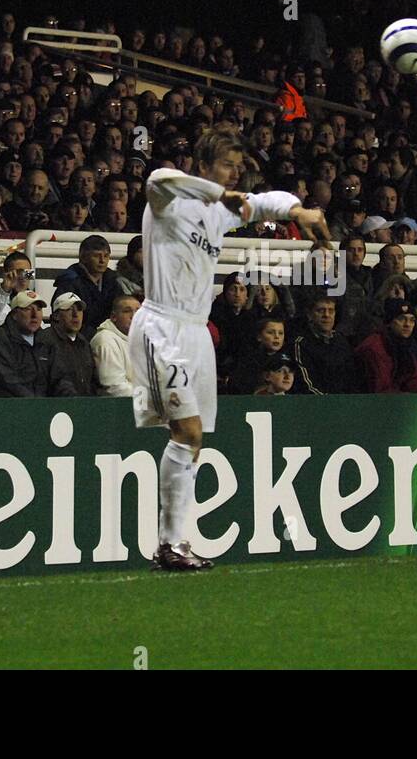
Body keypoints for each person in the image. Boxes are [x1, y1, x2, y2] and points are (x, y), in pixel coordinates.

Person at [127, 129, 327, 571]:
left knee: (192, 441)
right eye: (226, 165)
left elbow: (268, 201)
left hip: (197, 333)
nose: (234, 174)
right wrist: (225, 194)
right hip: (161, 325)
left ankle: (173, 544)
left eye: (238, 167)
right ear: (202, 165)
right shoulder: (169, 201)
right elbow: (158, 178)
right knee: (190, 432)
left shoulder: (220, 213)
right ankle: (169, 544)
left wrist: (300, 210)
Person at [0, 289, 77, 397]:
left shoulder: (46, 340)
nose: (34, 315)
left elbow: (59, 377)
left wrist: (72, 399)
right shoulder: (0, 338)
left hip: (42, 407)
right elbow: (7, 381)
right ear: (15, 314)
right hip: (12, 407)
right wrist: (35, 405)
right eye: (28, 309)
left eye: (39, 309)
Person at [354, 297, 417, 394]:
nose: (407, 324)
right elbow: (382, 390)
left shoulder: (404, 344)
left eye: (412, 320)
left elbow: (413, 378)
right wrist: (409, 397)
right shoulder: (374, 347)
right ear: (389, 322)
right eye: (402, 319)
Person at [291, 294, 354, 394]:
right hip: (317, 405)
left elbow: (352, 377)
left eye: (331, 311)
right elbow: (307, 385)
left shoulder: (341, 341)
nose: (327, 315)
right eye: (321, 310)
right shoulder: (302, 344)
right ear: (309, 314)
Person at [40, 292, 96, 396]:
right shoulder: (45, 340)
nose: (76, 314)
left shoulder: (84, 342)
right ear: (56, 316)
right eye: (69, 309)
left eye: (79, 309)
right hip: (56, 407)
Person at [93, 294, 140, 397]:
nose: (134, 316)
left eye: (138, 311)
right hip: (116, 408)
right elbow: (114, 388)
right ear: (114, 317)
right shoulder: (105, 340)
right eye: (127, 311)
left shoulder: (142, 340)